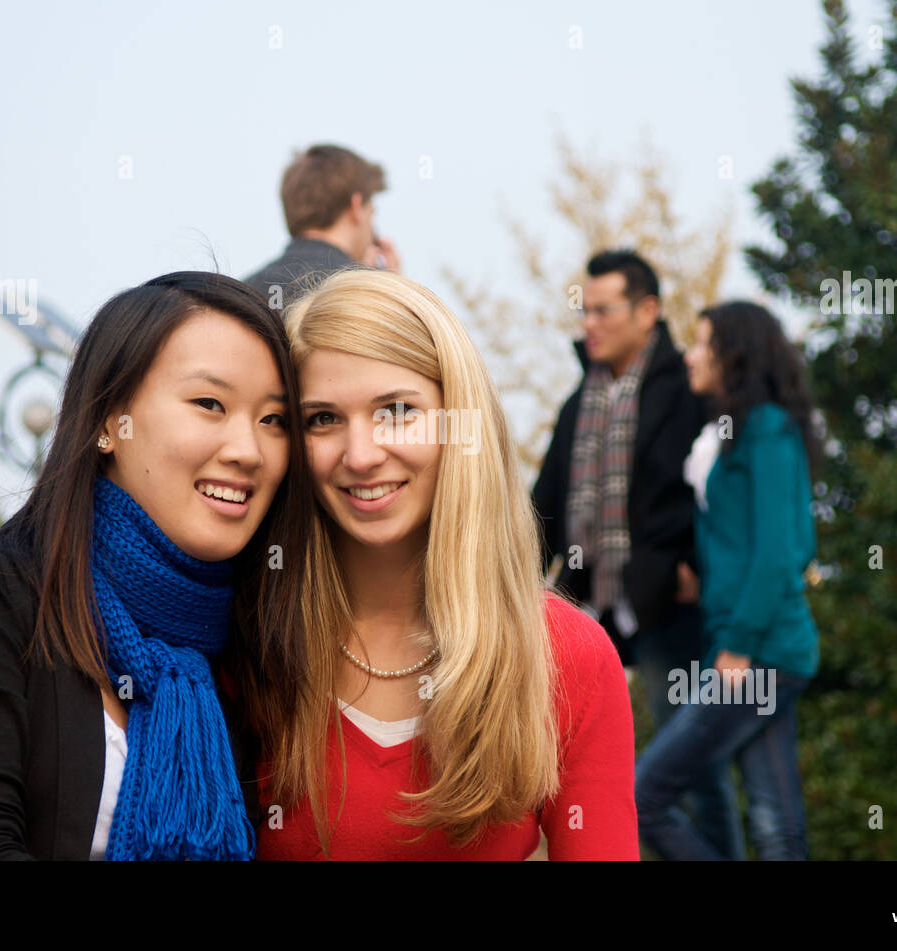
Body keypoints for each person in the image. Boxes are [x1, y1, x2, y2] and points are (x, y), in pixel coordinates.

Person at [0, 272, 313, 860]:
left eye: (273, 420)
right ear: (107, 421)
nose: (247, 450)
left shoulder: (247, 651)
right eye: (209, 404)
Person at [241, 269, 639, 860]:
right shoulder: (245, 639)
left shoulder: (567, 654)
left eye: (397, 410)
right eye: (323, 418)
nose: (362, 454)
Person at [532, 248, 744, 859]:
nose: (588, 323)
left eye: (603, 310)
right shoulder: (582, 400)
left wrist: (698, 573)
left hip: (665, 606)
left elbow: (724, 486)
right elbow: (544, 502)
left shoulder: (689, 388)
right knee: (575, 765)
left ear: (647, 310)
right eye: (584, 311)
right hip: (587, 603)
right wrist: (503, 576)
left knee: (691, 768)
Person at [634, 301, 821, 861]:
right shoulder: (740, 430)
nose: (690, 355)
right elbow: (759, 542)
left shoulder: (766, 429)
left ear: (734, 355)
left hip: (756, 651)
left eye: (703, 344)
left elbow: (780, 552)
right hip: (758, 647)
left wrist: (737, 643)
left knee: (646, 794)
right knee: (776, 822)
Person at [243, 143, 400, 313]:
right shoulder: (372, 293)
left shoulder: (243, 293)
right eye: (372, 213)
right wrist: (395, 292)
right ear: (356, 207)